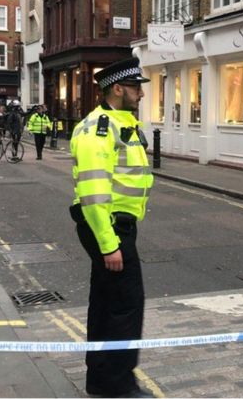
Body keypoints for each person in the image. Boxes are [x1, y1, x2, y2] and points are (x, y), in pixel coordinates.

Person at [69, 57, 153, 398]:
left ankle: (101, 381)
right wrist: (109, 244)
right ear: (117, 89)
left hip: (115, 226)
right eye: (135, 88)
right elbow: (93, 191)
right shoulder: (97, 129)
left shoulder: (122, 124)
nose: (141, 94)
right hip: (108, 228)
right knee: (126, 306)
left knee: (105, 305)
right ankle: (119, 386)